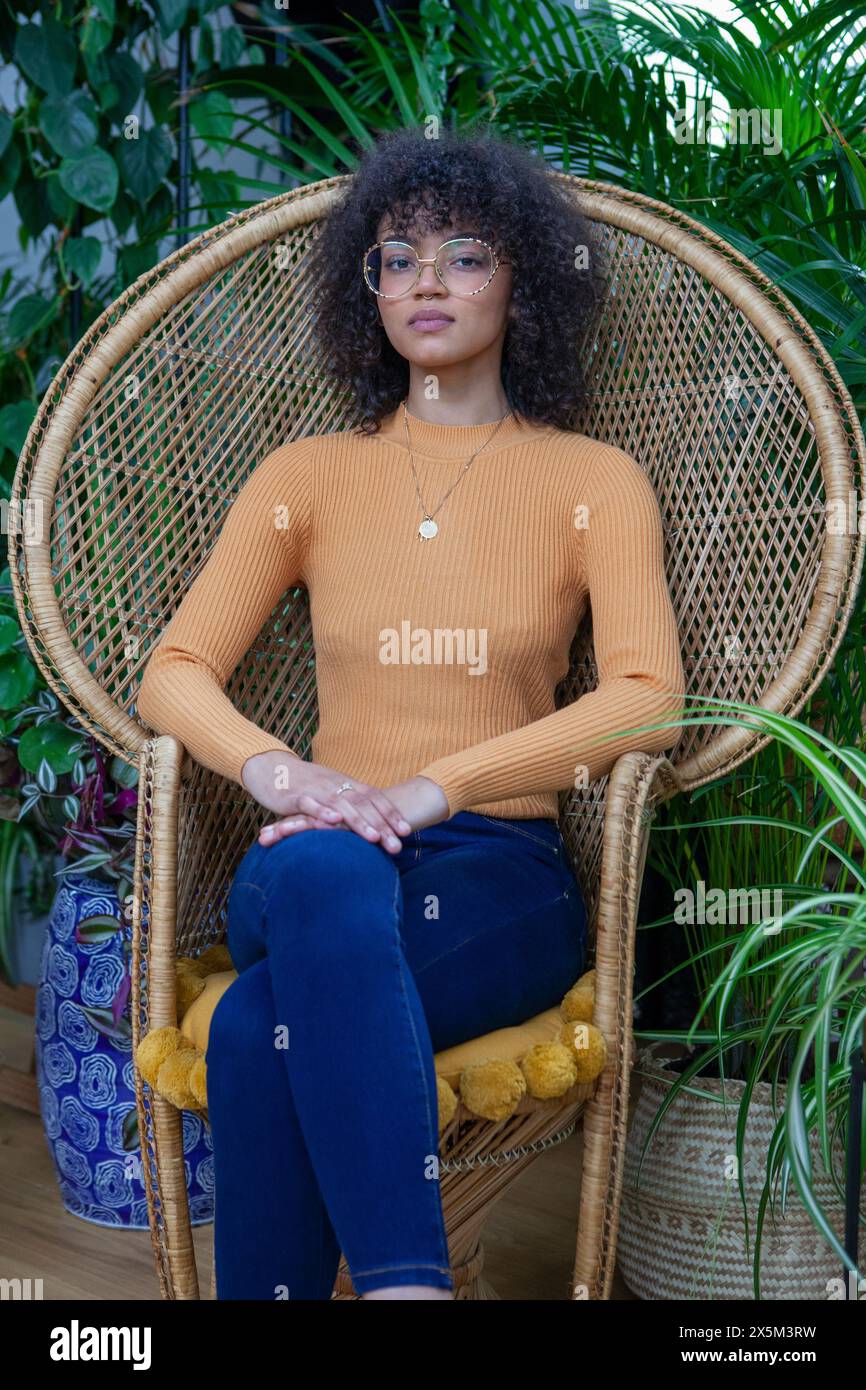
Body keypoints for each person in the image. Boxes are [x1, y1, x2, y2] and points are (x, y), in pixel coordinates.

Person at [136, 125, 685, 1301]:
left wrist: (435, 788)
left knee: (251, 1030)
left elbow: (648, 699)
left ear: (523, 280)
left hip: (496, 873)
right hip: (307, 852)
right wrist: (281, 775)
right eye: (395, 257)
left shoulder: (593, 482)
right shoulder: (304, 478)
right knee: (332, 870)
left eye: (463, 253)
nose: (424, 280)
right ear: (365, 291)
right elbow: (172, 669)